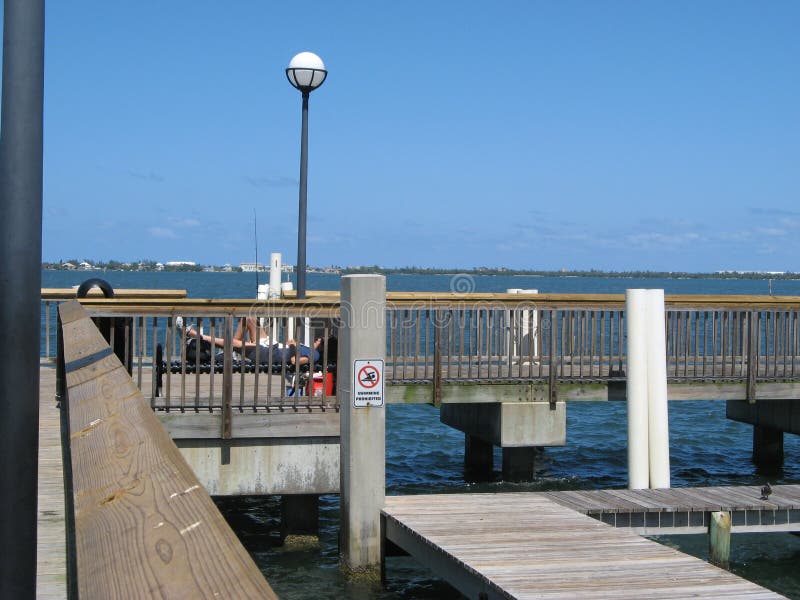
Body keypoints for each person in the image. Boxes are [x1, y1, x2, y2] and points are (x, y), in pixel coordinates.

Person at [182, 317, 322, 366]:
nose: (318, 339)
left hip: (269, 354)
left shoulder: (315, 354)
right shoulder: (309, 348)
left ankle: (193, 334)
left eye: (320, 340)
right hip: (271, 345)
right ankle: (228, 353)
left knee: (235, 344)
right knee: (249, 318)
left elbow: (295, 361)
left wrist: (292, 346)